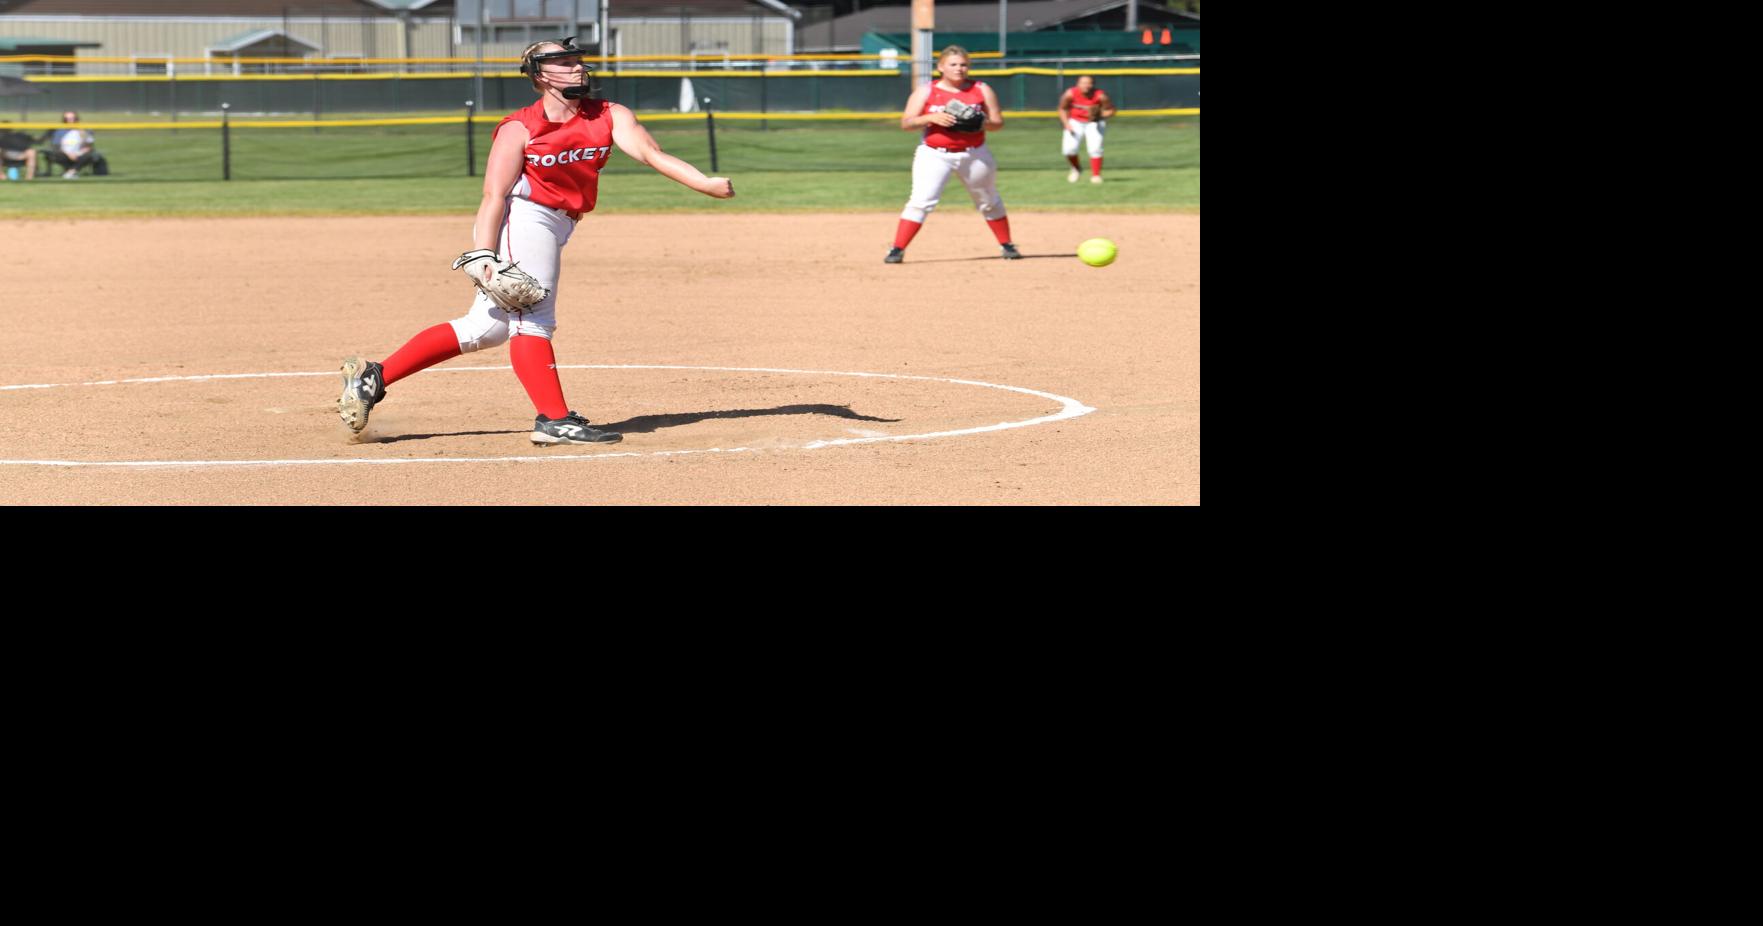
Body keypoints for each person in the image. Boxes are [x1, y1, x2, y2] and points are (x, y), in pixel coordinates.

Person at [336, 37, 734, 445]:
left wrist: (703, 183)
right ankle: (554, 420)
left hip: (561, 223)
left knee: (485, 328)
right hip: (526, 219)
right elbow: (494, 194)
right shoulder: (519, 127)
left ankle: (374, 376)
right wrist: (483, 253)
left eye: (577, 60)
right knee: (534, 316)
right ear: (540, 75)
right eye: (563, 62)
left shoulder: (609, 115)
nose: (577, 67)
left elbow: (651, 154)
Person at [885, 45, 1020, 264]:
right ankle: (897, 249)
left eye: (963, 64)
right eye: (953, 64)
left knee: (987, 201)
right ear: (941, 67)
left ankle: (1007, 245)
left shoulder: (981, 89)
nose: (959, 69)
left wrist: (981, 122)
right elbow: (907, 123)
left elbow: (998, 123)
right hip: (934, 154)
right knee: (921, 201)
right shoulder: (927, 91)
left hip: (974, 154)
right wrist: (930, 118)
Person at [1057, 75, 1116, 184]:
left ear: (1093, 84)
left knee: (1095, 148)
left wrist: (1101, 114)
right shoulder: (1070, 93)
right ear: (1078, 84)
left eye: (1089, 83)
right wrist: (1066, 124)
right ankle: (1076, 169)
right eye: (1083, 83)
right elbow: (1062, 109)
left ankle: (1096, 176)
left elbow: (1111, 110)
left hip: (1094, 123)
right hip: (1075, 121)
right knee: (1069, 149)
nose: (1086, 86)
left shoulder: (1100, 96)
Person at [47, 111, 108, 179]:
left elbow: (89, 145)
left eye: (73, 118)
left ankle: (71, 172)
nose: (71, 121)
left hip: (80, 154)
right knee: (56, 154)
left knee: (90, 154)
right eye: (67, 119)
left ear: (77, 119)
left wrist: (82, 134)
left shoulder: (83, 130)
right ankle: (71, 172)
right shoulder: (60, 131)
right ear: (64, 120)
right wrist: (69, 154)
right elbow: (57, 146)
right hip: (64, 153)